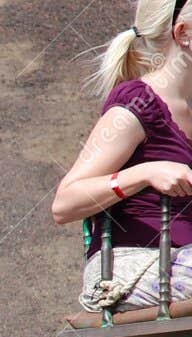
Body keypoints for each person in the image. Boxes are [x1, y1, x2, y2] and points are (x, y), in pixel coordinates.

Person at [56, 0, 192, 311]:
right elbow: (64, 204)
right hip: (132, 269)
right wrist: (146, 173)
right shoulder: (139, 103)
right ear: (183, 33)